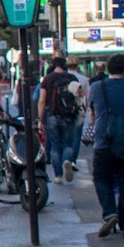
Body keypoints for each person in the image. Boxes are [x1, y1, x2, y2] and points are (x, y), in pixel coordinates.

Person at [88, 54, 124, 238]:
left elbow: (92, 113)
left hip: (104, 140)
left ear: (107, 69)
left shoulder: (97, 87)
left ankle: (109, 212)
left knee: (101, 178)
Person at [39, 56, 80, 184]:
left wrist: (40, 119)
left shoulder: (48, 79)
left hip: (52, 115)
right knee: (68, 143)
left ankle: (58, 175)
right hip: (69, 115)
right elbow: (79, 96)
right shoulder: (72, 78)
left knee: (55, 147)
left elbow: (42, 100)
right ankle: (67, 160)